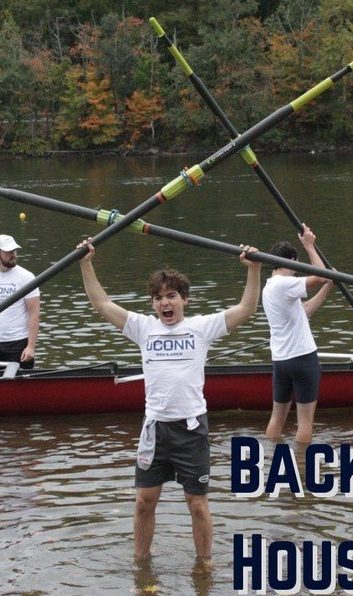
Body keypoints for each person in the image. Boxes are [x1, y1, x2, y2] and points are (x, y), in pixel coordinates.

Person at [77, 238, 261, 567]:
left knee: (197, 505)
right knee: (143, 502)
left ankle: (204, 566)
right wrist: (86, 262)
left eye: (172, 295)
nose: (165, 302)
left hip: (191, 429)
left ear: (184, 299)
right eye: (159, 297)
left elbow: (246, 308)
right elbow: (101, 303)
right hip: (155, 430)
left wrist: (254, 268)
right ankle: (140, 562)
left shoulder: (201, 328)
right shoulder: (143, 328)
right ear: (153, 304)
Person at [262, 226, 334, 444]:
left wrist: (328, 286)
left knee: (277, 418)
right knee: (305, 422)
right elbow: (320, 275)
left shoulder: (269, 287)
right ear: (292, 261)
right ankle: (302, 462)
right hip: (303, 359)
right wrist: (310, 246)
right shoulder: (285, 283)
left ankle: (272, 455)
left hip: (281, 362)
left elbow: (304, 311)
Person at [0, 234, 40, 369]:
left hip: (19, 343)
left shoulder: (27, 277)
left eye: (14, 250)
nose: (13, 255)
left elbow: (34, 314)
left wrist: (30, 347)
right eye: (8, 252)